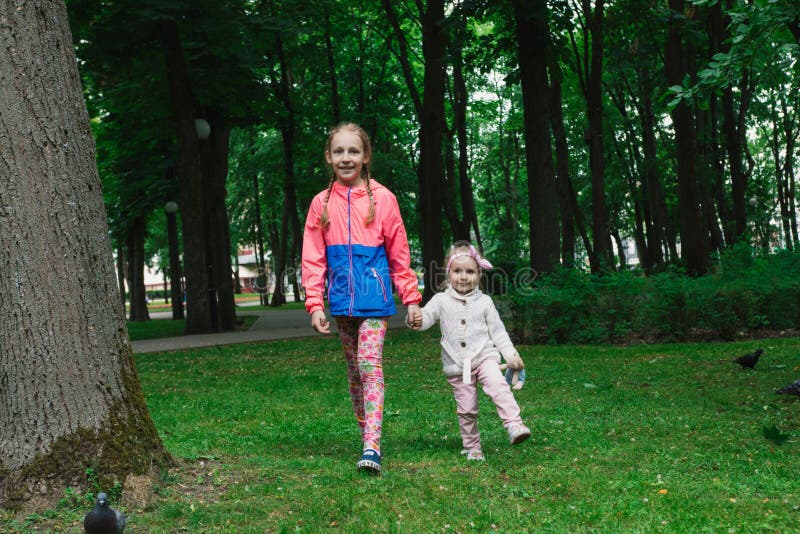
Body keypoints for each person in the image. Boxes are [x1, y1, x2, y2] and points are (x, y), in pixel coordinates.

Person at [301, 122, 422, 475]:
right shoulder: (320, 204)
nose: (346, 158)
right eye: (338, 151)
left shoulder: (383, 199)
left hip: (374, 298)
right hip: (341, 301)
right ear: (328, 157)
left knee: (369, 365)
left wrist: (410, 298)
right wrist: (315, 303)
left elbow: (399, 254)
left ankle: (372, 445)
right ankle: (365, 435)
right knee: (355, 373)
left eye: (353, 151)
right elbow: (313, 256)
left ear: (366, 156)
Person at [407, 241, 530, 461]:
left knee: (498, 384)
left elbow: (498, 332)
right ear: (448, 272)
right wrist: (415, 319)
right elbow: (426, 319)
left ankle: (514, 425)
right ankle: (472, 446)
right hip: (456, 364)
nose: (463, 277)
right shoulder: (441, 300)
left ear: (479, 274)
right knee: (467, 409)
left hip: (485, 355)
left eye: (470, 271)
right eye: (457, 271)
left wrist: (511, 356)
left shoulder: (485, 302)